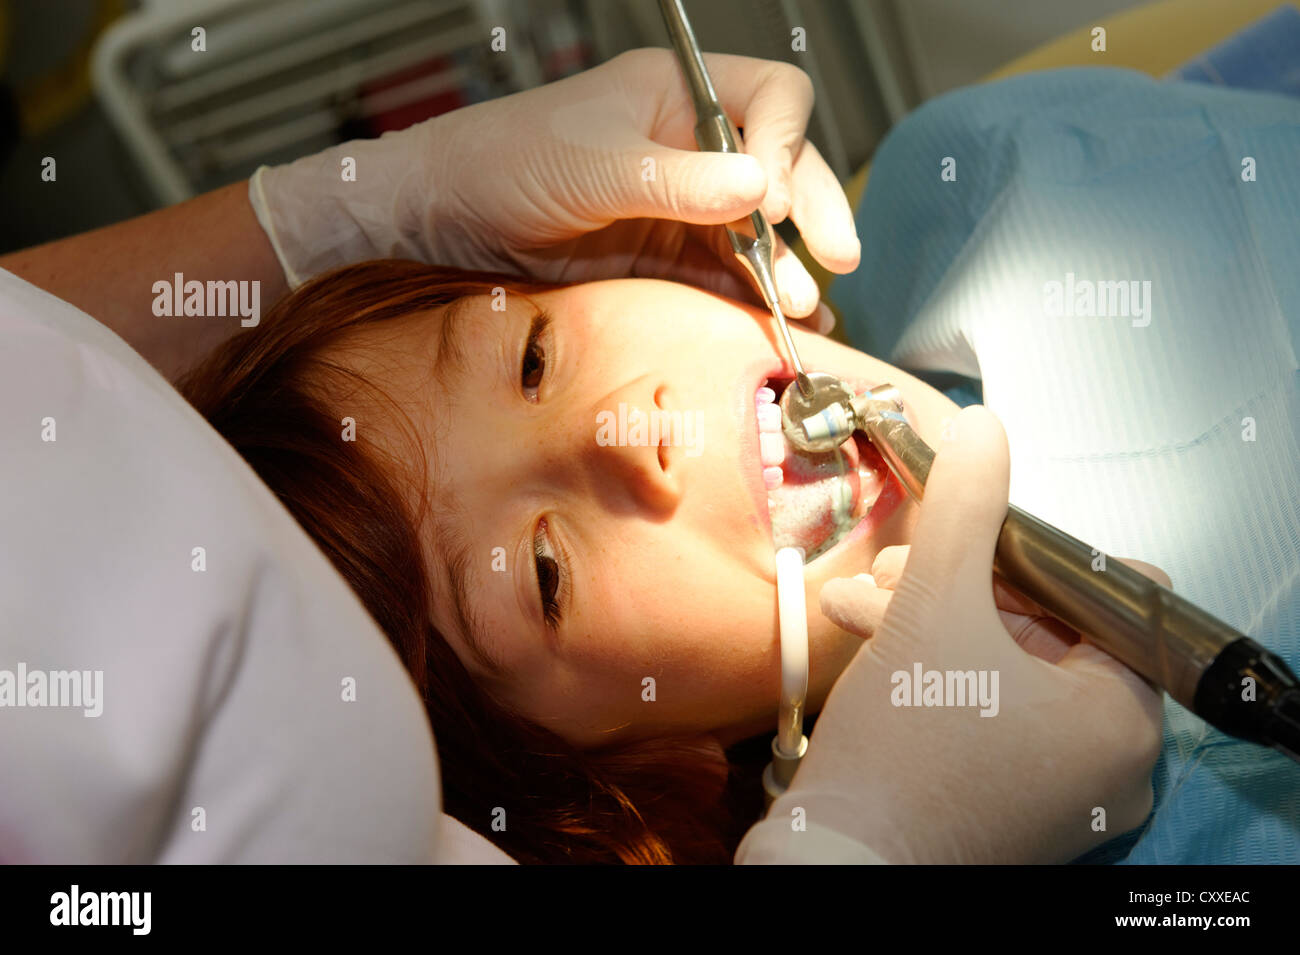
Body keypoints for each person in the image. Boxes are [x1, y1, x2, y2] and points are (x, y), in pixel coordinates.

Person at [0, 49, 1161, 864]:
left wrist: (341, 212)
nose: (631, 435)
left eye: (534, 357)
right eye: (544, 576)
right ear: (661, 769)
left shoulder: (1004, 170)